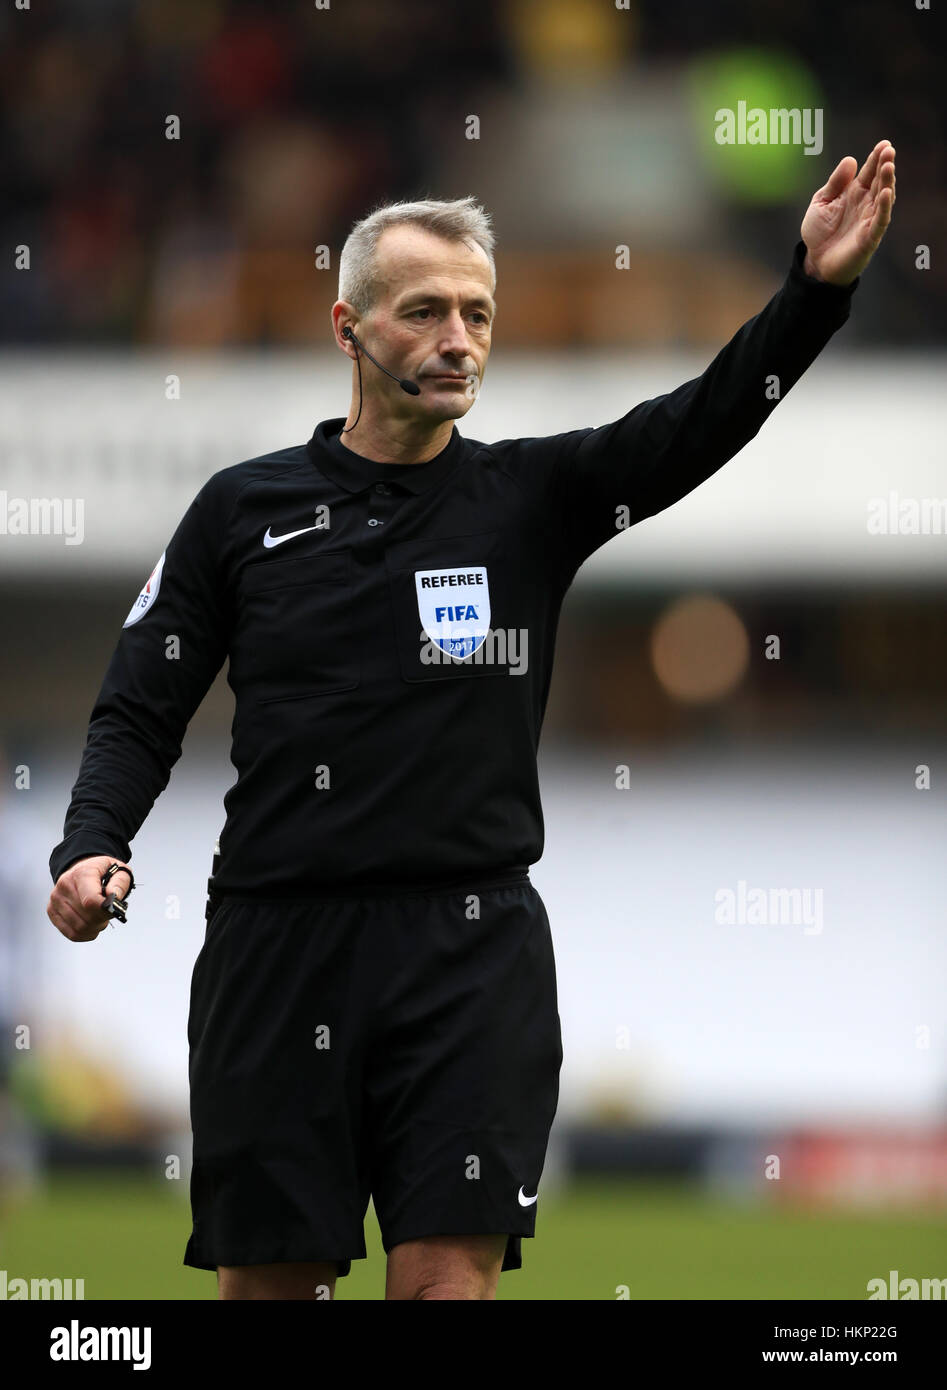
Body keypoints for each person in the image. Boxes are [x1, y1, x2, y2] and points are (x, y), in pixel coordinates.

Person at [47, 141, 895, 1299]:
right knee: (269, 1286)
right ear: (347, 328)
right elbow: (142, 701)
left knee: (448, 1282)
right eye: (426, 311)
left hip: (468, 949)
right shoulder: (239, 511)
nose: (459, 338)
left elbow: (697, 424)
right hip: (275, 944)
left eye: (477, 314)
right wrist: (92, 841)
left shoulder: (529, 500)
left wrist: (812, 294)